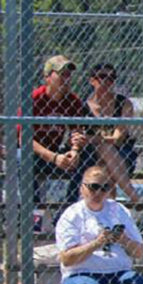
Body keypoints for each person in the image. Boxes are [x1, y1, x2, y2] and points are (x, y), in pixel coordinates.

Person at [30, 55, 96, 204]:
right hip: (35, 153)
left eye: (68, 74)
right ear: (47, 77)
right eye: (61, 74)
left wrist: (75, 150)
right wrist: (54, 157)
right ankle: (35, 212)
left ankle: (69, 207)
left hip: (56, 152)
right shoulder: (34, 98)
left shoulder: (72, 100)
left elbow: (76, 132)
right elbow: (23, 138)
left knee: (88, 155)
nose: (66, 78)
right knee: (21, 157)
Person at [84, 63, 143, 203]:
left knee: (105, 156)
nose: (107, 81)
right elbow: (82, 137)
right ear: (92, 80)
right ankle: (132, 196)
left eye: (111, 78)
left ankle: (106, 213)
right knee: (104, 154)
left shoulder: (124, 103)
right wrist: (100, 140)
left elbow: (118, 137)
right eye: (102, 77)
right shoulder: (84, 106)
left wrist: (96, 138)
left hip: (122, 154)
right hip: (90, 156)